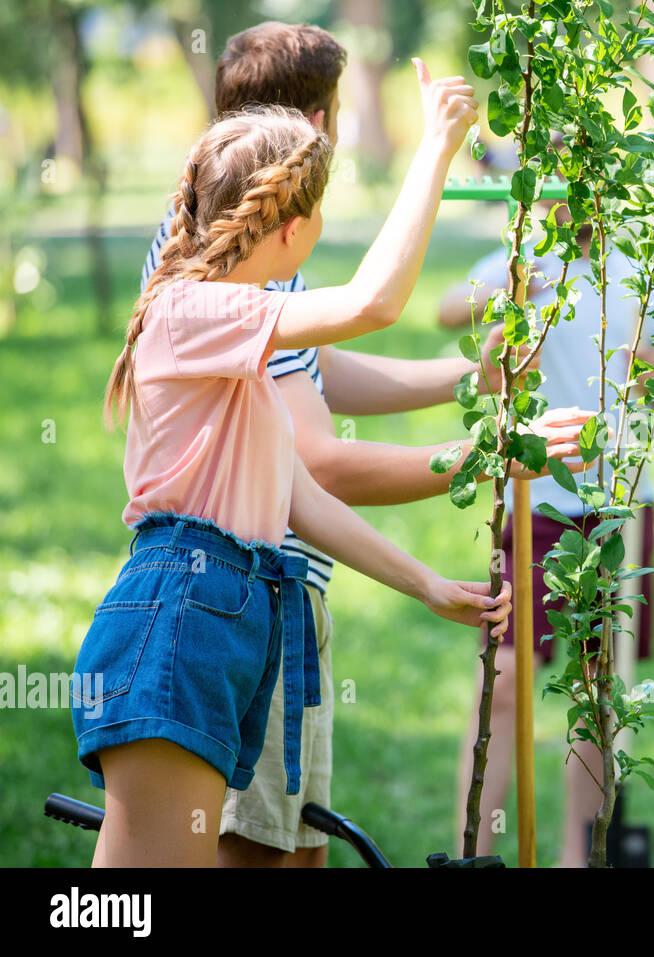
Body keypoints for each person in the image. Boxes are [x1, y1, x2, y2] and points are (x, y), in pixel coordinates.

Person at [139, 23, 588, 868]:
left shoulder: (236, 278)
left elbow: (304, 453)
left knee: (295, 850)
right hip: (218, 599)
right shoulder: (199, 297)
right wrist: (438, 148)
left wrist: (471, 390)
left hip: (267, 590)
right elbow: (366, 329)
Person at [438, 201, 654, 866]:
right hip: (533, 496)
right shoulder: (527, 259)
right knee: (506, 676)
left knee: (597, 684)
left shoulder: (636, 268)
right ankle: (475, 851)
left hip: (616, 501)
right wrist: (509, 286)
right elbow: (447, 308)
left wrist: (653, 366)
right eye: (549, 191)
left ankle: (580, 854)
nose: (565, 204)